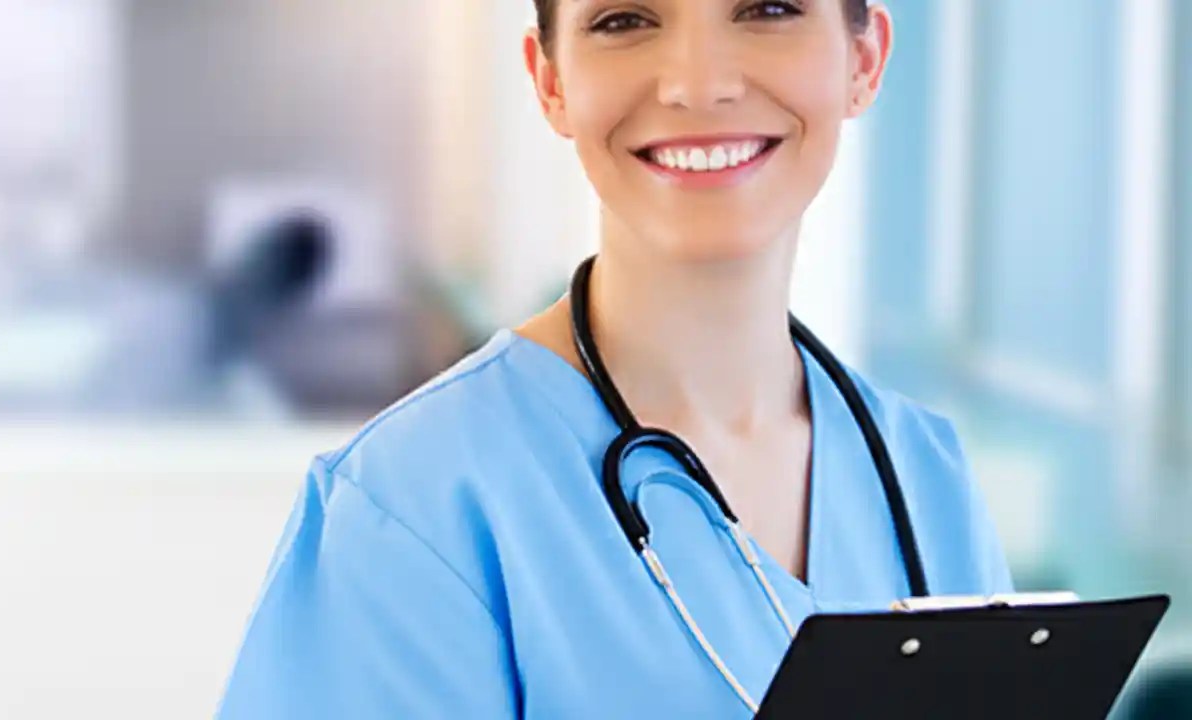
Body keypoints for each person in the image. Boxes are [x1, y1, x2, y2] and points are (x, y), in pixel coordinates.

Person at [216, 1, 1013, 717]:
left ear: (863, 61)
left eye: (768, 8)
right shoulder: (414, 504)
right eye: (625, 20)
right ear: (550, 80)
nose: (698, 84)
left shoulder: (921, 474)